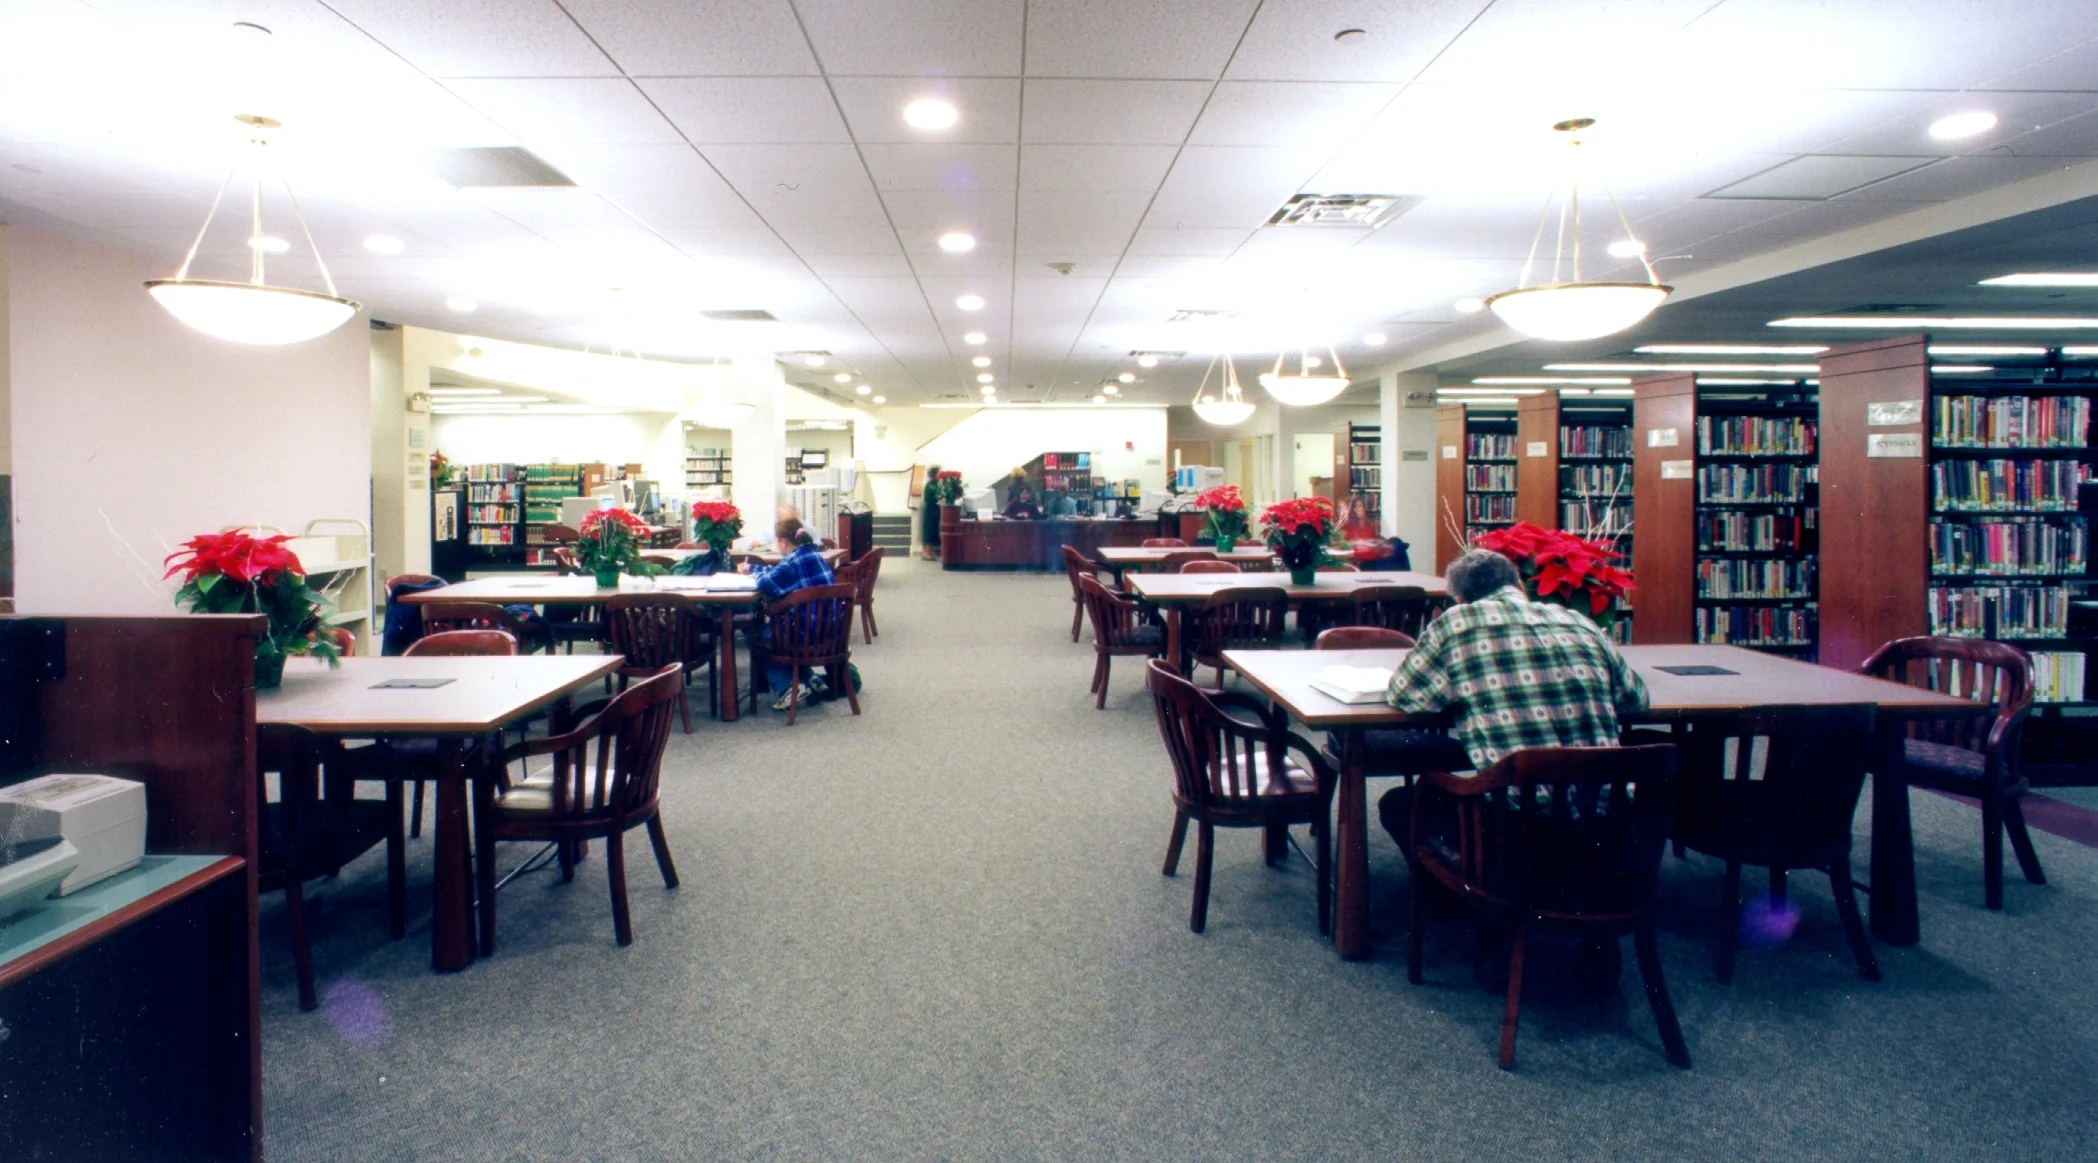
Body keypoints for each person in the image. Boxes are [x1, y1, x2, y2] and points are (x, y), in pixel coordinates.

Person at [1377, 548, 1650, 847]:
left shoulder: (1456, 622)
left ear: (1460, 600)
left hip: (1522, 831)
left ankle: (1463, 891)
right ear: (1518, 584)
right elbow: (1636, 699)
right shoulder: (1580, 621)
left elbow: (1405, 694)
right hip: (1609, 822)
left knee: (1400, 804)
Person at [750, 516, 838, 711]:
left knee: (756, 635)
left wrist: (751, 571)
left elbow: (766, 584)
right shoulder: (814, 556)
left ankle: (787, 688)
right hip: (830, 634)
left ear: (783, 542)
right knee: (775, 631)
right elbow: (777, 573)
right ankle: (810, 678)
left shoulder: (792, 562)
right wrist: (755, 568)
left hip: (804, 635)